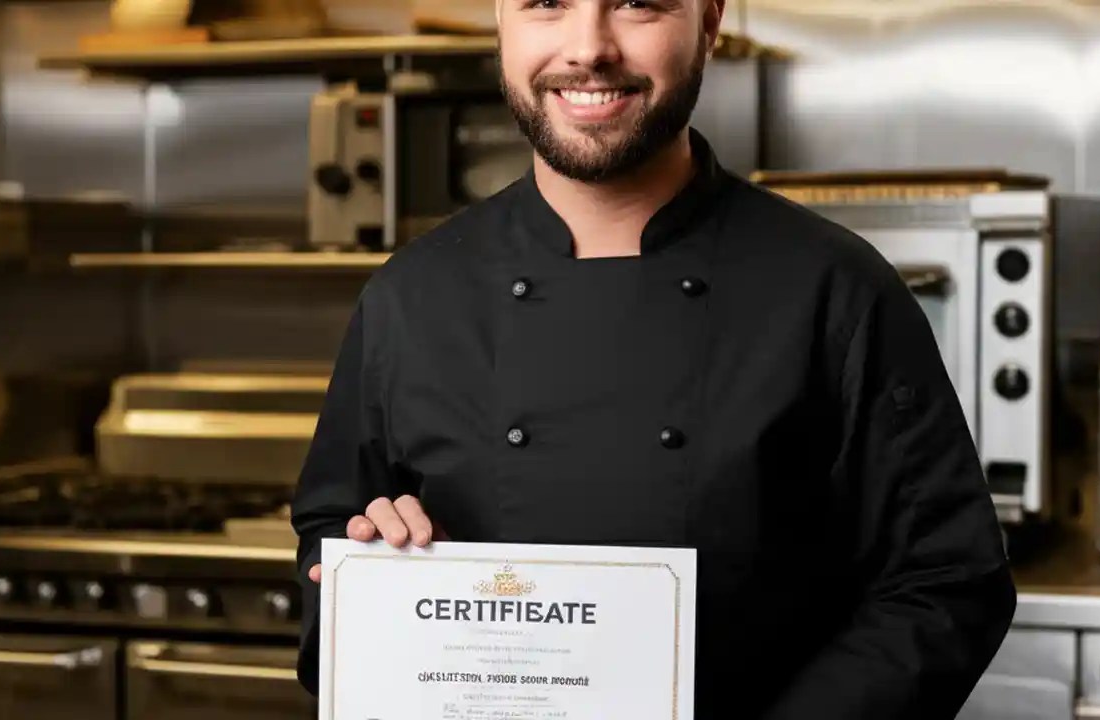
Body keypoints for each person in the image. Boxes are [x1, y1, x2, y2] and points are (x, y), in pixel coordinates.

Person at [290, 0, 1017, 716]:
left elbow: (944, 580)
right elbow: (331, 539)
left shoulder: (834, 289)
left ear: (708, 20)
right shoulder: (412, 295)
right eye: (546, 3)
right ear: (501, 20)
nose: (588, 48)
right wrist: (384, 582)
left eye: (638, 4)